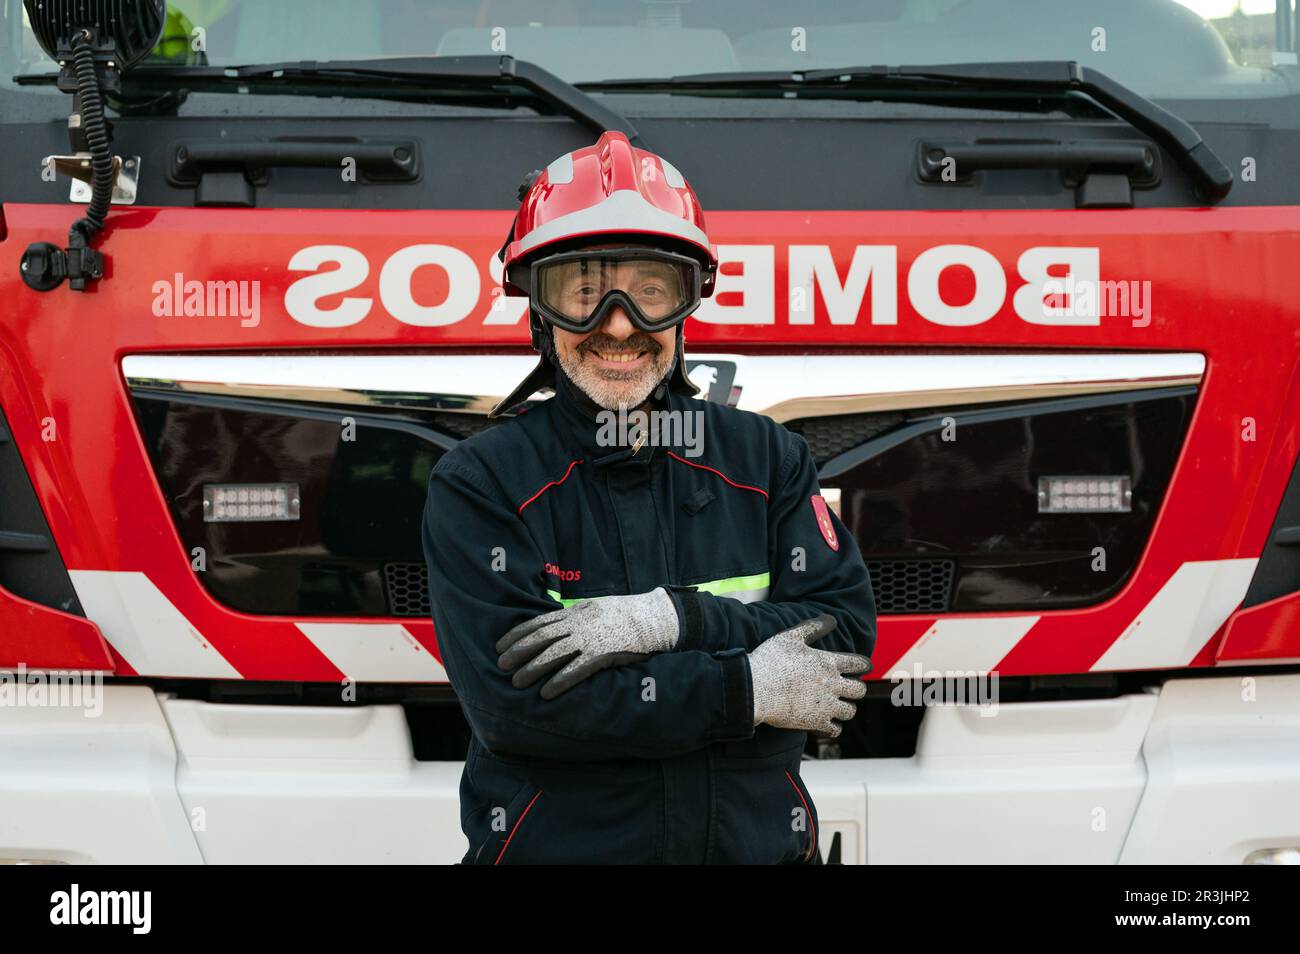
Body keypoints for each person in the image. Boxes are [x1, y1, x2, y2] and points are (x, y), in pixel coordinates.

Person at [421, 130, 877, 864]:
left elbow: (845, 642)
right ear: (539, 311)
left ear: (688, 305)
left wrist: (673, 619)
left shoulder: (766, 459)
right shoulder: (483, 485)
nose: (621, 323)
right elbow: (520, 709)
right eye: (583, 291)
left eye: (651, 289)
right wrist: (745, 689)